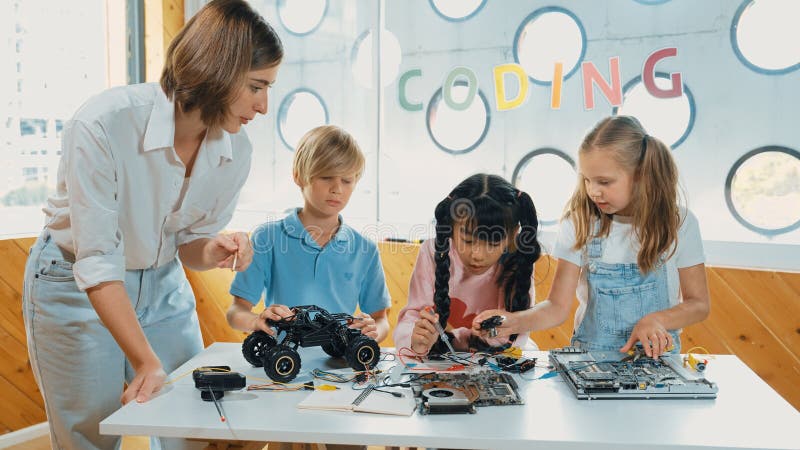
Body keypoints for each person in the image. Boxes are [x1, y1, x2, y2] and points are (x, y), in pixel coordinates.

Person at [21, 1, 283, 449]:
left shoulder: (236, 152)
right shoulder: (103, 123)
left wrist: (212, 247)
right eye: (257, 87)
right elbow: (99, 261)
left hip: (162, 283)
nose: (263, 106)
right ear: (218, 69)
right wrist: (145, 360)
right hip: (74, 283)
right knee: (91, 433)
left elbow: (186, 246)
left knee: (193, 424)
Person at [473, 116, 710, 359]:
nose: (593, 191)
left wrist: (658, 319)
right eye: (586, 179)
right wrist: (514, 321)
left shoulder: (679, 222)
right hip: (590, 361)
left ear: (641, 175)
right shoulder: (579, 223)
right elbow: (556, 308)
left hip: (658, 363)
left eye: (604, 182)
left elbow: (699, 304)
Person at [226, 125, 391, 343]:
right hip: (283, 363)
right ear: (298, 176)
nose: (337, 189)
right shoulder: (267, 238)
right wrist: (256, 321)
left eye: (347, 180)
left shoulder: (365, 249)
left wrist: (373, 331)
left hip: (340, 367)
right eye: (326, 177)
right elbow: (236, 311)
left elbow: (381, 319)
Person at [393, 173, 542, 355]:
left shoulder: (518, 260)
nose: (477, 255)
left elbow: (515, 334)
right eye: (468, 241)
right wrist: (416, 339)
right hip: (438, 361)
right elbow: (412, 318)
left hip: (495, 362)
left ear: (512, 235)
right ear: (451, 228)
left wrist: (456, 337)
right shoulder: (431, 251)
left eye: (493, 244)